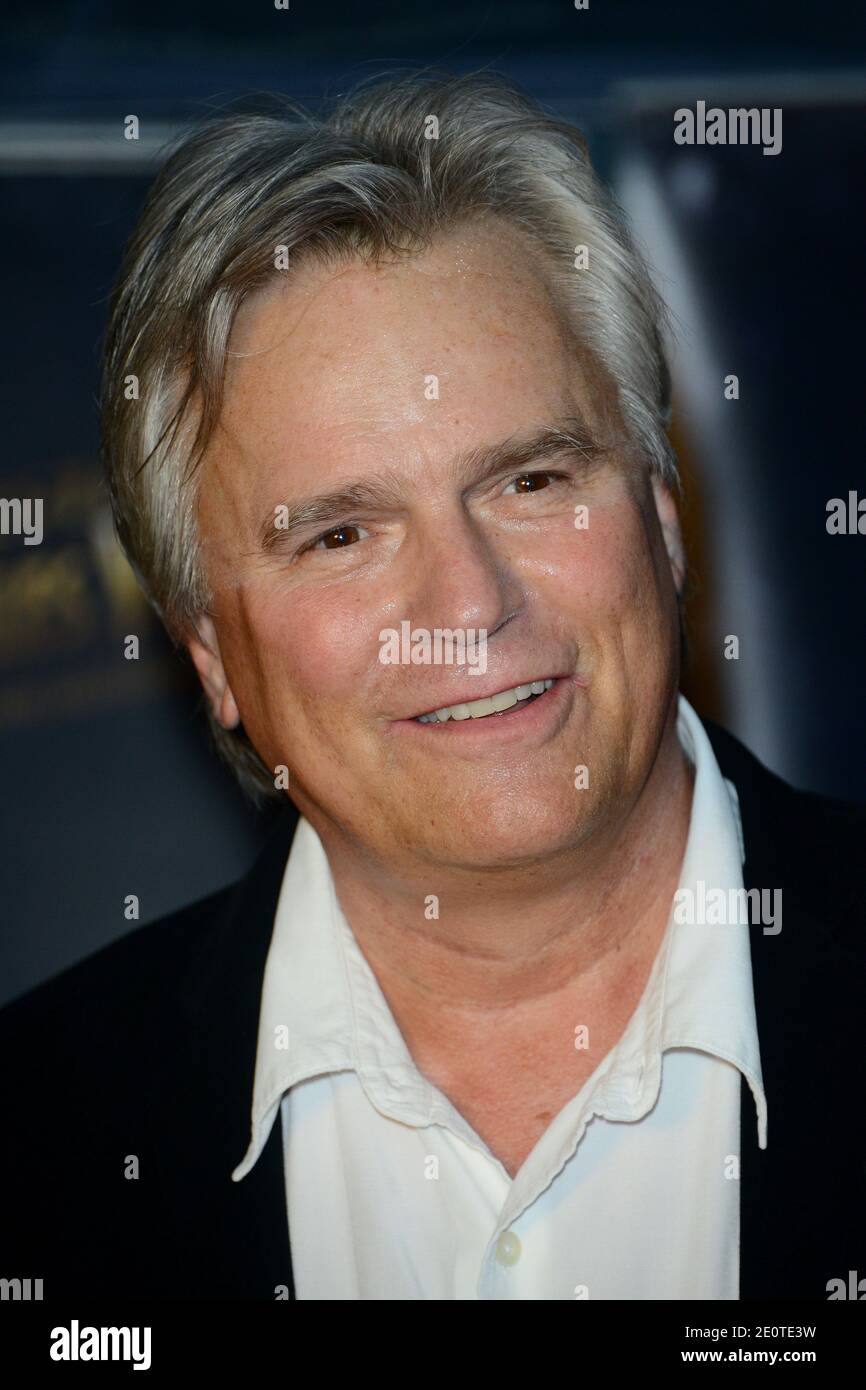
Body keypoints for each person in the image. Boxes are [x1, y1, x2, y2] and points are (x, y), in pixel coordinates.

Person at [1, 71, 863, 1302]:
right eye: (339, 536)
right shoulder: (36, 1143)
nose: (467, 606)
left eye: (530, 479)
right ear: (208, 652)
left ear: (663, 519)